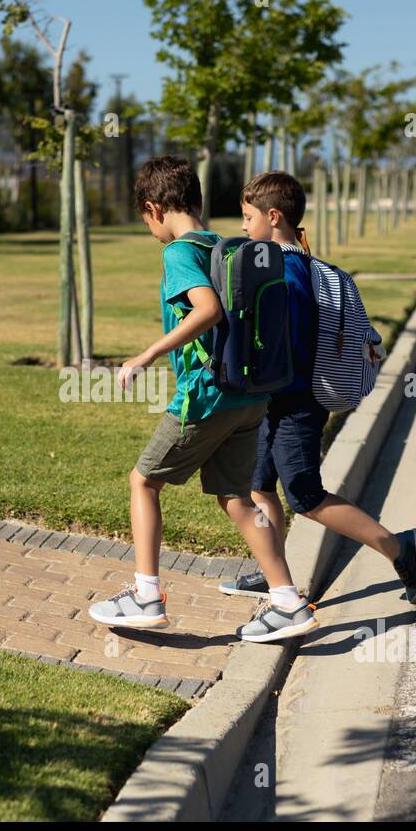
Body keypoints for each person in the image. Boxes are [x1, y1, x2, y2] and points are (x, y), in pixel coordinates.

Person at [86, 156, 319, 643]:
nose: (150, 228)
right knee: (235, 498)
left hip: (206, 398)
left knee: (143, 482)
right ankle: (287, 602)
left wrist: (146, 354)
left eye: (146, 220)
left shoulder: (178, 254)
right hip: (249, 397)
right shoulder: (226, 243)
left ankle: (146, 595)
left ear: (154, 208)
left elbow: (208, 310)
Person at [218, 171, 416, 603]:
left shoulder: (286, 271)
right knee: (258, 486)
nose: (243, 227)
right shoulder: (294, 265)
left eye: (247, 217)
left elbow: (289, 347)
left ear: (273, 217)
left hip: (296, 403)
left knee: (305, 495)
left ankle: (399, 547)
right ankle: (277, 576)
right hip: (274, 401)